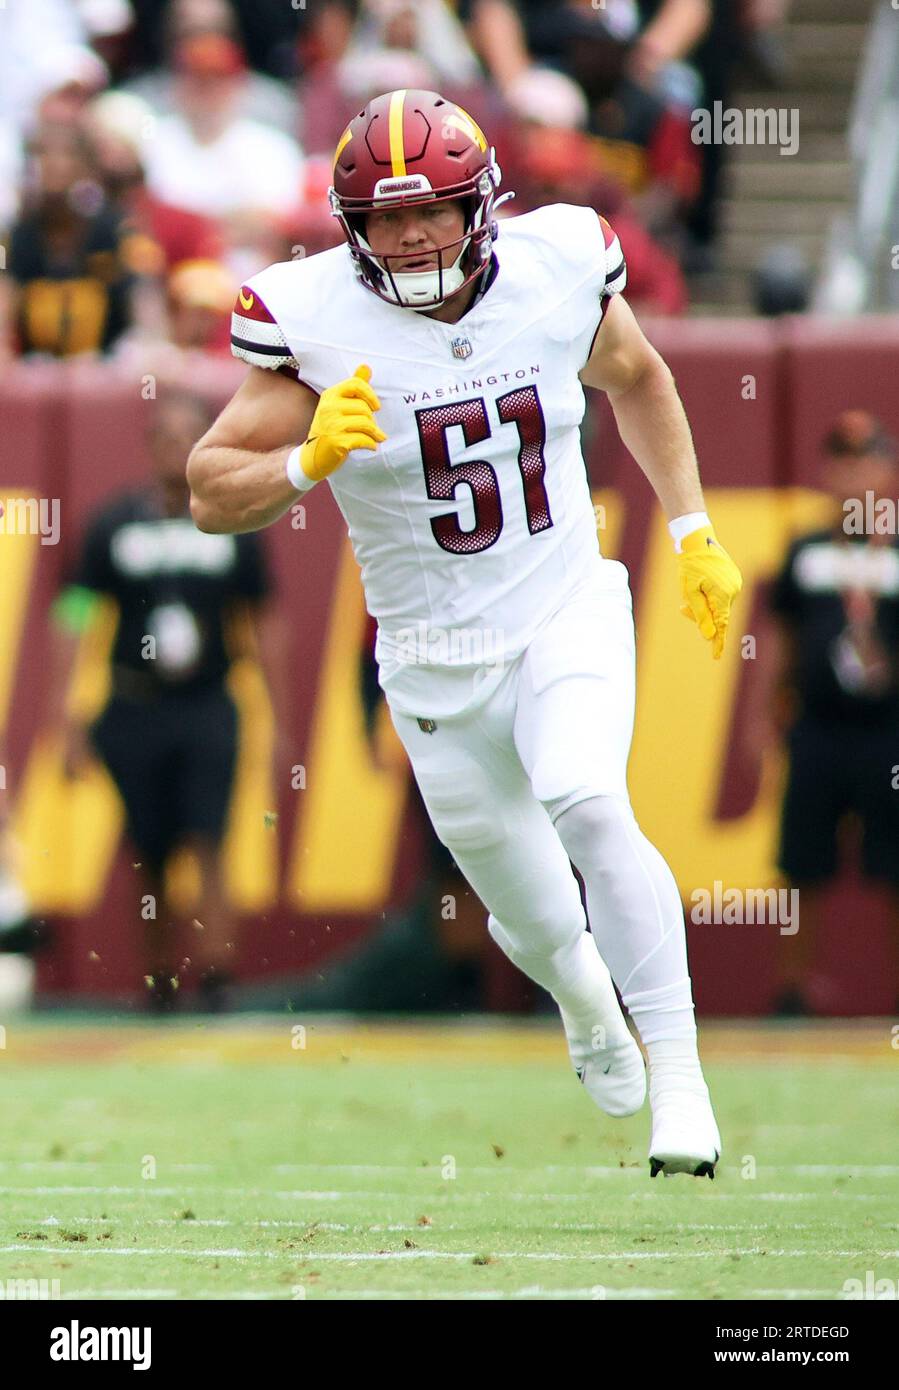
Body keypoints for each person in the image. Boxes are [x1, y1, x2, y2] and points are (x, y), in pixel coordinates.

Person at [187, 89, 743, 1176]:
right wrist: (306, 460)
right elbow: (210, 490)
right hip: (432, 664)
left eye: (429, 212)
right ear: (348, 227)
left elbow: (637, 377)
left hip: (559, 608)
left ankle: (681, 1081)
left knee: (587, 796)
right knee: (533, 921)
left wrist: (692, 531)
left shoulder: (558, 264)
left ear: (480, 203)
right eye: (382, 221)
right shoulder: (312, 316)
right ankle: (584, 999)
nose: (406, 238)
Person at [52, 391, 285, 1012]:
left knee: (210, 840)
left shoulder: (231, 520)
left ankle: (216, 977)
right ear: (149, 445)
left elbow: (261, 617)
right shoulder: (113, 523)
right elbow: (75, 615)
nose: (174, 449)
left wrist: (280, 713)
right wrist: (67, 718)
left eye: (188, 436)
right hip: (135, 703)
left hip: (208, 702)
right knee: (148, 848)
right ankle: (158, 979)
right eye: (164, 436)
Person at [759, 411, 899, 1015]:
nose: (852, 475)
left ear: (887, 471)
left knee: (894, 866)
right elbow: (781, 640)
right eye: (840, 462)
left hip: (889, 734)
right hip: (817, 728)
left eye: (865, 460)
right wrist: (764, 716)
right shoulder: (806, 550)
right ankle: (793, 987)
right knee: (801, 866)